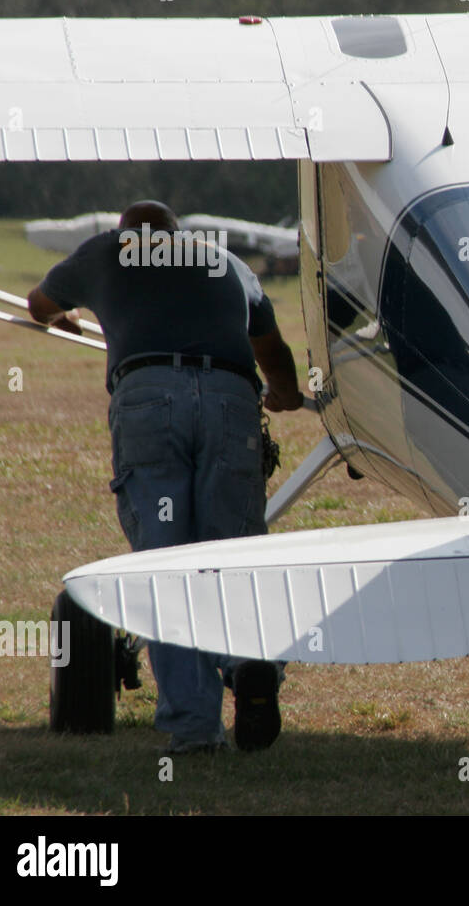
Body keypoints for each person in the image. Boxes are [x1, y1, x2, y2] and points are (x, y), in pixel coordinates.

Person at [28, 199, 303, 754]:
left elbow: (39, 304)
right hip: (231, 395)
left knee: (164, 564)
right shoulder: (224, 261)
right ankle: (249, 662)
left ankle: (194, 730)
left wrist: (66, 316)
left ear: (127, 233)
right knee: (235, 554)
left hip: (149, 397)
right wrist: (286, 393)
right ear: (176, 234)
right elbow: (270, 347)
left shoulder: (109, 250)